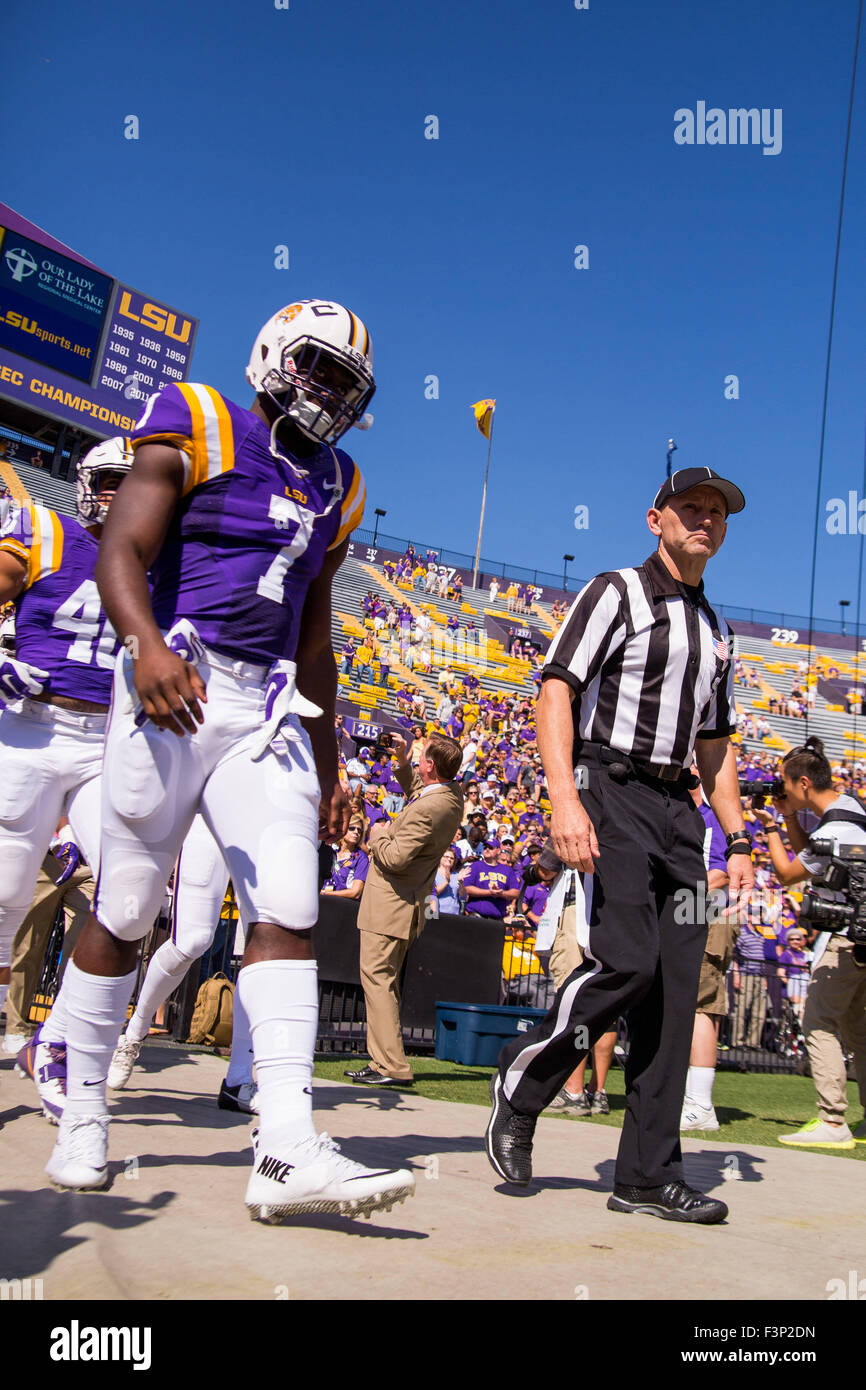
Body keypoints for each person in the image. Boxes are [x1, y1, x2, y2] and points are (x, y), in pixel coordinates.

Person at [39, 299, 414, 1221]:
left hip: (266, 703)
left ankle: (286, 1145)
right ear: (272, 356)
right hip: (176, 676)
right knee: (129, 907)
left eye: (344, 381)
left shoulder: (342, 480)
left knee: (286, 901)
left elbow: (316, 632)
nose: (327, 391)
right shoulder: (199, 419)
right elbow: (122, 547)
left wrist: (328, 762)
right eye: (315, 367)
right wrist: (146, 646)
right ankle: (81, 1104)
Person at [485, 467, 753, 1225]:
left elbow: (716, 744)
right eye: (690, 507)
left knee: (676, 989)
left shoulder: (718, 631)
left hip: (683, 815)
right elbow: (556, 688)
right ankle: (525, 1081)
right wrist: (564, 795)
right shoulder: (614, 592)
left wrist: (737, 835)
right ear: (654, 518)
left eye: (716, 512)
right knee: (628, 961)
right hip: (614, 788)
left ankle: (645, 1175)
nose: (704, 519)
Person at [0, 438, 132, 1062]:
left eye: (128, 483)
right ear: (85, 482)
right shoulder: (45, 530)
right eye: (107, 479)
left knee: (130, 893)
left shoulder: (163, 564)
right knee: (4, 895)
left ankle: (59, 1039)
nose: (116, 493)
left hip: (104, 744)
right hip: (29, 727)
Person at [753, 737, 866, 1148]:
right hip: (863, 935)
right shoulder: (851, 811)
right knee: (859, 1030)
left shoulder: (833, 831)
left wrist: (769, 827)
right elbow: (814, 856)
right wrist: (790, 818)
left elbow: (787, 872)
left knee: (818, 1022)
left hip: (847, 940)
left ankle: (833, 1121)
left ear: (803, 783)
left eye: (785, 784)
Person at [346, 731, 463, 1085]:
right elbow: (420, 791)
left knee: (378, 982)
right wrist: (400, 763)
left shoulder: (431, 807)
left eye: (420, 756)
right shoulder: (450, 795)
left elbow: (395, 857)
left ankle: (392, 1067)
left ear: (428, 765)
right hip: (404, 906)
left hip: (390, 906)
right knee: (385, 983)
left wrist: (378, 832)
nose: (416, 759)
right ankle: (383, 1062)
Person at [321, 820, 369, 901]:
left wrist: (326, 893)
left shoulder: (362, 858)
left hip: (344, 904)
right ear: (342, 830)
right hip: (323, 900)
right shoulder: (330, 851)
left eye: (359, 830)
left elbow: (355, 893)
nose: (356, 832)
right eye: (352, 828)